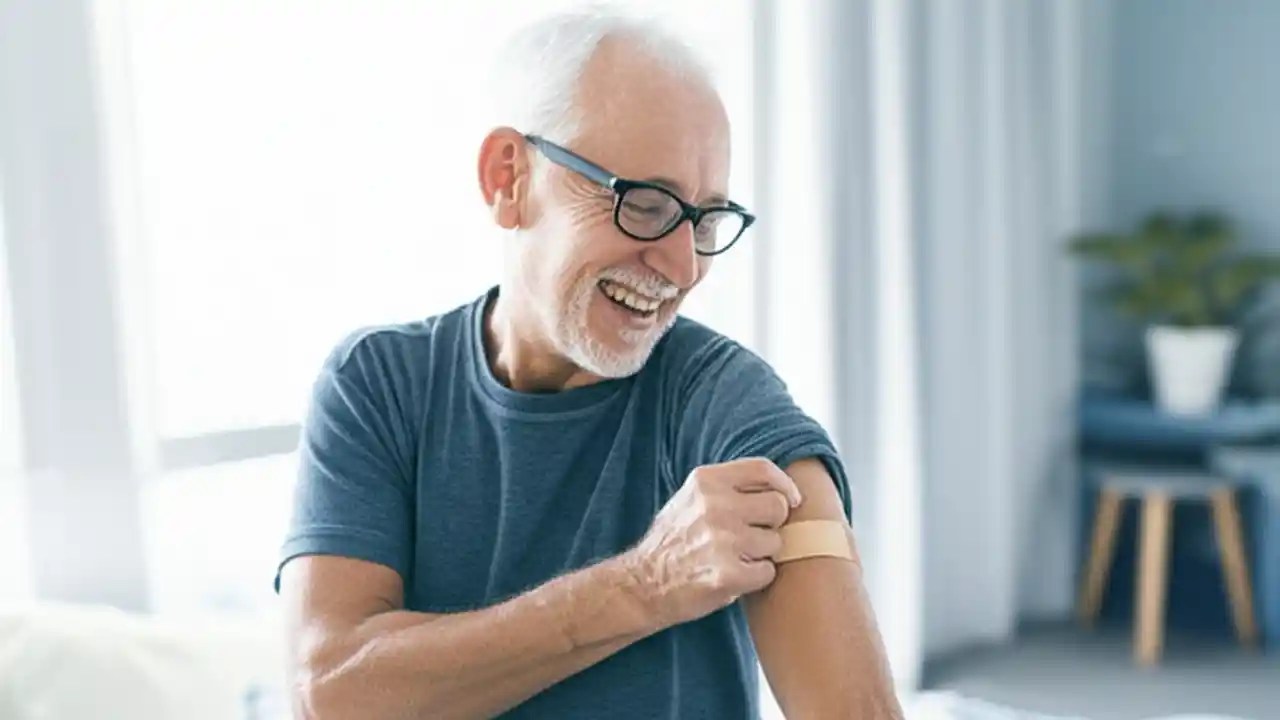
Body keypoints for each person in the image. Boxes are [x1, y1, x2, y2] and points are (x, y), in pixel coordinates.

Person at [276, 8, 901, 719]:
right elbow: (330, 694)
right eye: (645, 203)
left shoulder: (723, 401)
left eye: (704, 219)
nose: (683, 264)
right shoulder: (376, 386)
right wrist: (646, 583)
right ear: (508, 178)